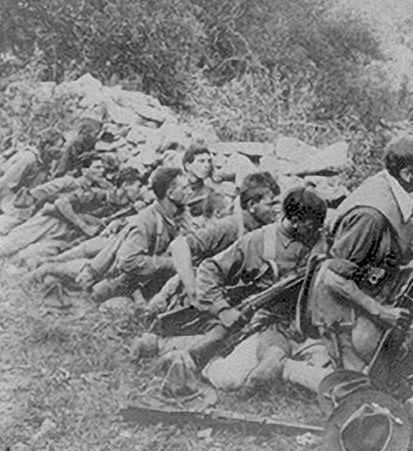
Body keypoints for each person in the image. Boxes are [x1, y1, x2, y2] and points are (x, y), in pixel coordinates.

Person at [150, 187, 329, 393]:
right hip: (261, 319)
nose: (317, 230)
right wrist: (222, 309)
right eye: (312, 225)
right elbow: (210, 269)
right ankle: (189, 359)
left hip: (296, 324)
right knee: (231, 373)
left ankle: (173, 348)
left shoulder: (317, 239)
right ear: (295, 220)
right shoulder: (259, 240)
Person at [304, 135, 413, 372]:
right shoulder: (370, 216)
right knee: (373, 359)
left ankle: (412, 364)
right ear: (407, 174)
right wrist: (382, 313)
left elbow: (391, 238)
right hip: (339, 304)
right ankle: (308, 363)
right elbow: (334, 278)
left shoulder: (395, 186)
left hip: (369, 285)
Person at [150, 171, 282, 313]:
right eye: (270, 204)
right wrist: (193, 292)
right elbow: (178, 246)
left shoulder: (265, 229)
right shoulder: (230, 227)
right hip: (187, 301)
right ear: (252, 205)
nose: (277, 210)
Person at [80, 166, 190, 303]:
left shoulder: (180, 213)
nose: (189, 191)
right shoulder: (147, 221)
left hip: (153, 279)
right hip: (129, 281)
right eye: (184, 188)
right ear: (171, 194)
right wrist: (168, 263)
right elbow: (127, 261)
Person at [0, 152, 115, 260]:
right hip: (45, 220)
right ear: (84, 170)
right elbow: (37, 193)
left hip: (61, 228)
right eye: (97, 167)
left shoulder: (92, 191)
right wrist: (32, 212)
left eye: (103, 168)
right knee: (9, 243)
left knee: (28, 252)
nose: (102, 171)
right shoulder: (69, 182)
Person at [0, 129, 65, 233]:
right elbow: (2, 185)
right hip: (6, 205)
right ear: (47, 147)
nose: (61, 150)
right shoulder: (28, 159)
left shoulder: (45, 162)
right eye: (59, 147)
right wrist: (7, 209)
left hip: (20, 204)